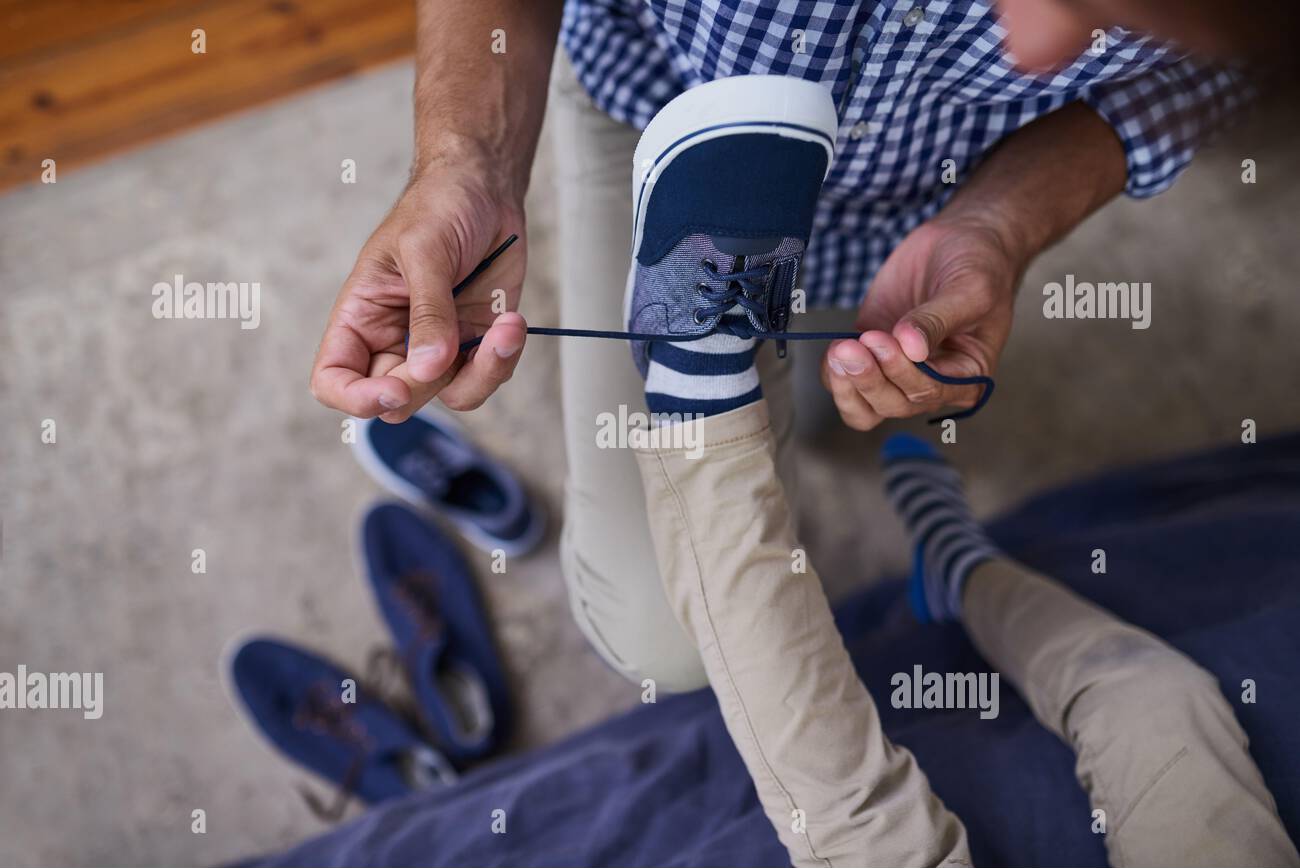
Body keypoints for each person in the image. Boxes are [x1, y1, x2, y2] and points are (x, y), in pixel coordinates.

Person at [308, 1, 1249, 688]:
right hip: (654, 95)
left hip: (936, 177)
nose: (1036, 49)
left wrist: (1000, 224)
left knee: (829, 404)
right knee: (670, 637)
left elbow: (1204, 72)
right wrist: (464, 162)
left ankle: (815, 411)